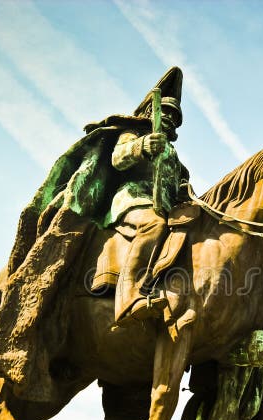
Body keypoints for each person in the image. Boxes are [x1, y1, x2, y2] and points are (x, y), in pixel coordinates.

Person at [103, 68, 190, 324]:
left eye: (175, 116)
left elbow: (178, 188)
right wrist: (141, 146)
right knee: (154, 224)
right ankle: (128, 296)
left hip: (164, 207)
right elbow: (117, 159)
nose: (170, 118)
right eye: (167, 112)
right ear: (152, 111)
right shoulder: (134, 134)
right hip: (133, 200)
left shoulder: (173, 155)